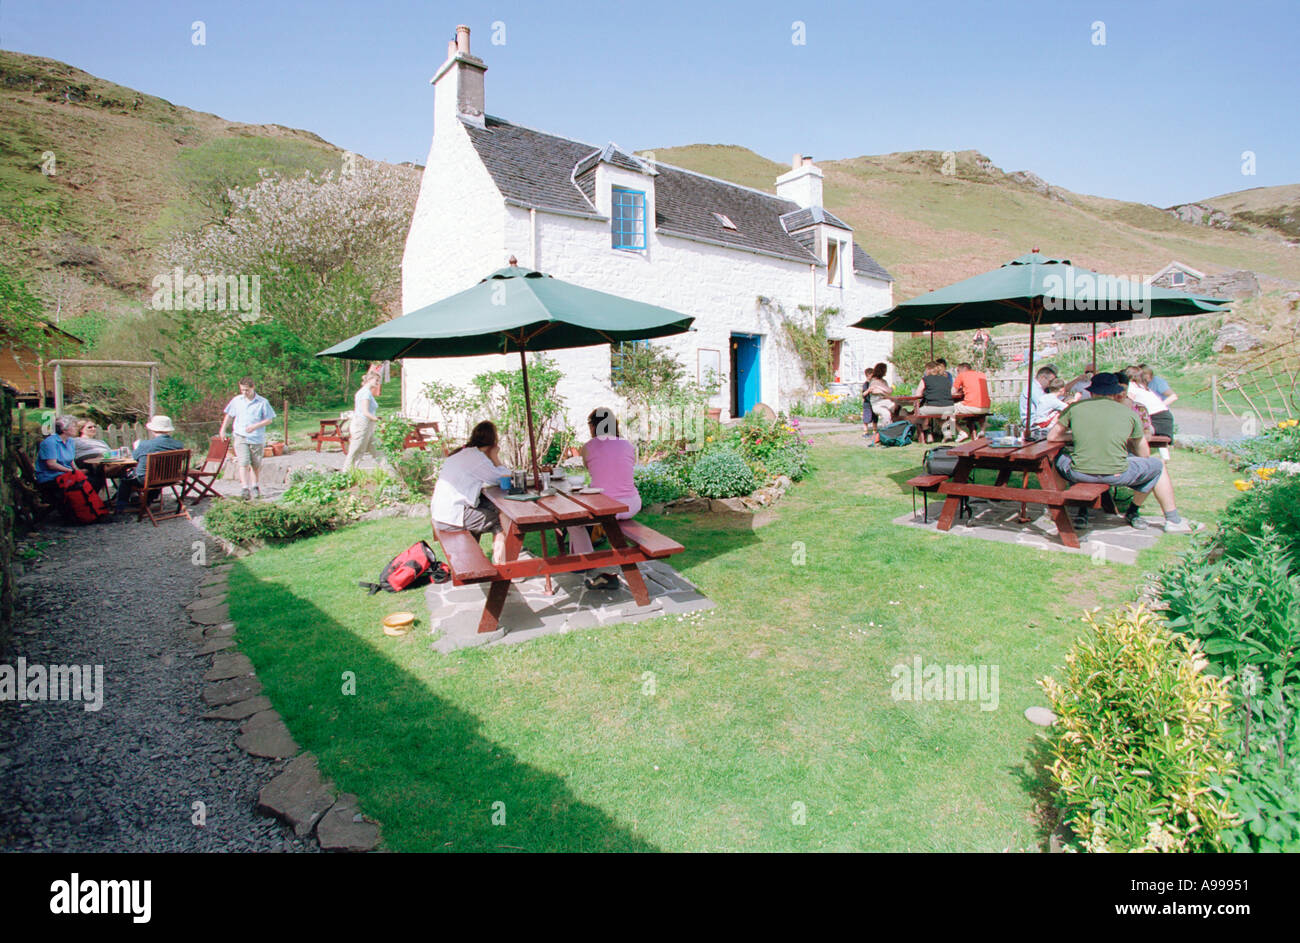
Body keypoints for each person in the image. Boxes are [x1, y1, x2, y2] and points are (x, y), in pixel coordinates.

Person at [1049, 372, 1197, 532]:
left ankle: (1055, 509)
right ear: (1115, 393)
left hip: (1079, 473)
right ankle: (1172, 520)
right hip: (1117, 474)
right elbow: (1144, 453)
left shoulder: (1075, 408)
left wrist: (1073, 435)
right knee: (1158, 466)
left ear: (1091, 392)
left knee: (1058, 458)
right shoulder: (1130, 414)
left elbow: (1052, 436)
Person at [566, 408, 640, 590]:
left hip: (607, 508)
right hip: (632, 504)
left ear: (593, 426)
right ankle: (587, 554)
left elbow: (589, 468)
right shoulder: (628, 445)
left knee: (573, 521)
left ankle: (586, 559)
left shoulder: (588, 447)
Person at [431, 421, 511, 564]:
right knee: (505, 520)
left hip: (442, 514)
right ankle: (505, 565)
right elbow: (502, 479)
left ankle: (501, 560)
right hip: (451, 517)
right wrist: (495, 457)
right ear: (493, 442)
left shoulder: (464, 453)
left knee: (493, 509)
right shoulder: (476, 458)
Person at [218, 377, 276, 499]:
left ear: (253, 387)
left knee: (255, 464)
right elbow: (229, 415)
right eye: (242, 390)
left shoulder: (262, 402)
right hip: (240, 436)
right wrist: (223, 429)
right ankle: (244, 488)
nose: (244, 392)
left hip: (256, 438)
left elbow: (269, 420)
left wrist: (256, 426)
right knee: (243, 462)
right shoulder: (237, 401)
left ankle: (254, 486)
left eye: (247, 390)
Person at [114, 415, 185, 513]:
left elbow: (134, 457)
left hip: (147, 480)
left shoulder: (146, 445)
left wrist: (137, 447)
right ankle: (147, 503)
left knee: (125, 477)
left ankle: (121, 506)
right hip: (171, 479)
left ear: (152, 430)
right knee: (156, 474)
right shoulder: (179, 445)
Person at [34, 415, 79, 511]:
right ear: (64, 429)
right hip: (50, 477)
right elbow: (51, 464)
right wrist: (70, 471)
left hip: (65, 474)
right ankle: (73, 511)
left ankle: (86, 509)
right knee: (82, 483)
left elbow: (71, 460)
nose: (77, 428)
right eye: (74, 426)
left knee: (93, 478)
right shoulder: (50, 442)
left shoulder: (70, 441)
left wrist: (77, 471)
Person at [344, 374, 383, 471]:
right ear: (369, 379)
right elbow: (365, 412)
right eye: (376, 380)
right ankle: (347, 474)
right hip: (362, 425)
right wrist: (379, 421)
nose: (378, 383)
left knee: (378, 451)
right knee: (357, 450)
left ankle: (392, 474)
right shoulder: (365, 393)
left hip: (369, 425)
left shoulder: (367, 393)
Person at [913, 361, 956, 443]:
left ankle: (928, 434)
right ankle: (947, 434)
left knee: (919, 413)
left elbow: (918, 394)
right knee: (939, 416)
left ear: (928, 370)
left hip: (933, 407)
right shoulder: (946, 379)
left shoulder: (925, 379)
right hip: (949, 407)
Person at [951, 362, 991, 439]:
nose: (957, 373)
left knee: (948, 410)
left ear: (961, 369)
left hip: (971, 406)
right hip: (986, 407)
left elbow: (952, 392)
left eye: (957, 371)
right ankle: (983, 430)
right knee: (980, 412)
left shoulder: (962, 375)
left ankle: (960, 432)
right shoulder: (981, 374)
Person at [864, 363, 895, 445]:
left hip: (885, 401)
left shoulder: (884, 381)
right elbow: (875, 391)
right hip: (877, 404)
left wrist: (881, 389)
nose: (886, 372)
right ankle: (886, 434)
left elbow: (890, 391)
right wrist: (885, 391)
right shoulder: (873, 381)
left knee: (896, 408)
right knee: (886, 414)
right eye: (885, 370)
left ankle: (896, 429)